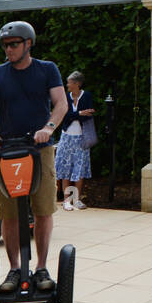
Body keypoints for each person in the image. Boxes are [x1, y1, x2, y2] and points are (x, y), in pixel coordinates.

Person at [0, 21, 67, 292]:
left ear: (28, 44)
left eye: (14, 44)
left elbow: (61, 103)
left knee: (42, 210)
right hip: (8, 150)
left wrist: (48, 127)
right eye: (5, 45)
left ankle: (40, 267)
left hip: (40, 149)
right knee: (9, 214)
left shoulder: (47, 69)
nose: (9, 49)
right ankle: (15, 269)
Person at [55, 70, 96, 210]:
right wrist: (78, 113)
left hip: (81, 137)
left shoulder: (87, 96)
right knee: (65, 168)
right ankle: (67, 200)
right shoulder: (65, 97)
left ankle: (77, 199)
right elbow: (63, 116)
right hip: (66, 137)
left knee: (79, 168)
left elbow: (88, 115)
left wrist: (73, 115)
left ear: (77, 84)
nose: (67, 85)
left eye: (69, 83)